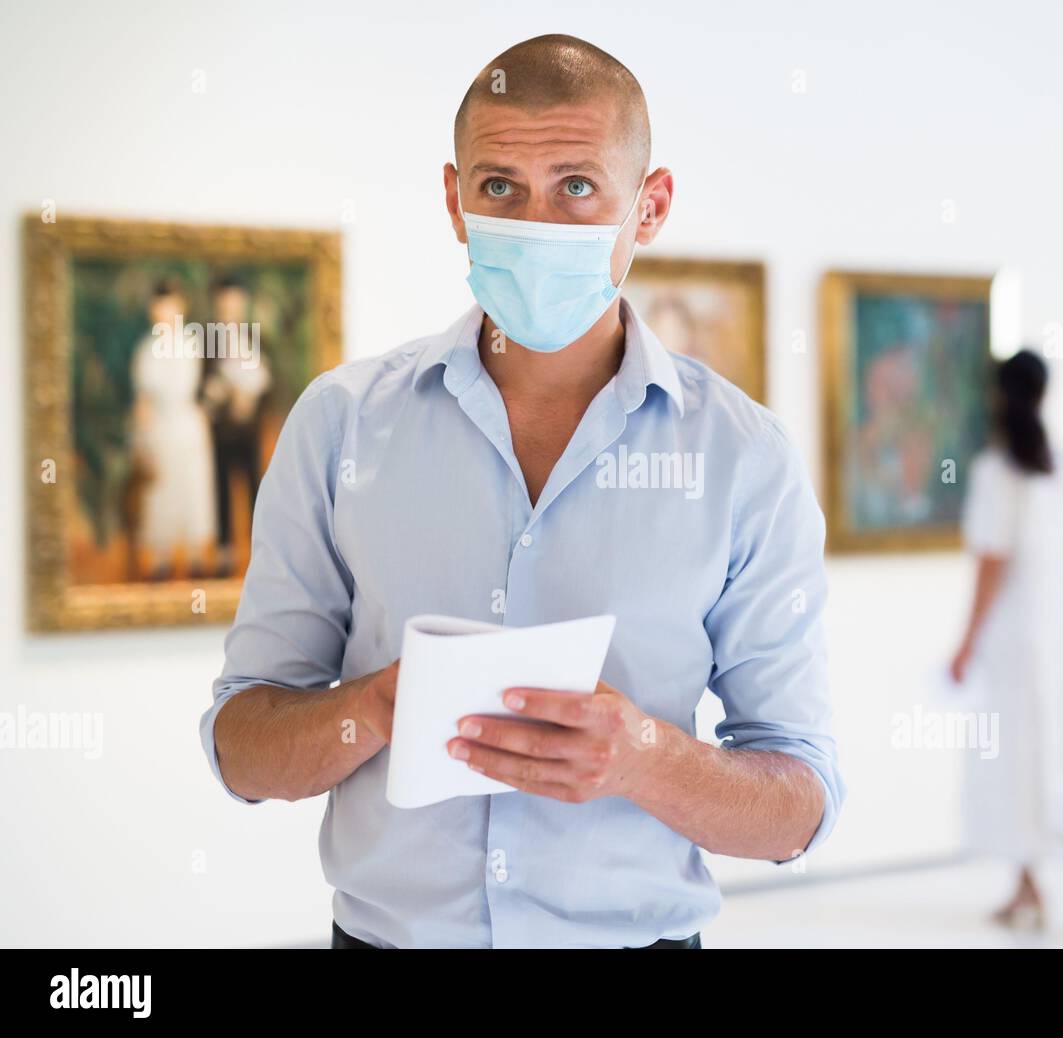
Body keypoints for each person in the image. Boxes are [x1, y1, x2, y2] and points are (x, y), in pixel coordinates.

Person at [199, 35, 844, 949]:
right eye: (500, 186)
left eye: (577, 186)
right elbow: (242, 747)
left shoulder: (746, 460)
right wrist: (376, 708)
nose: (536, 221)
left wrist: (642, 759)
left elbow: (800, 806)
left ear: (649, 206)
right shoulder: (340, 425)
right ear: (456, 202)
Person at [949, 349, 1063, 934]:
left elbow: (990, 566)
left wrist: (965, 643)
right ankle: (1027, 889)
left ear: (1001, 396)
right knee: (1042, 766)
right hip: (1057, 640)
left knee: (1029, 772)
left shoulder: (997, 472)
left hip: (1011, 646)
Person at [130, 281, 217, 579]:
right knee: (162, 490)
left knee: (192, 486)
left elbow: (208, 385)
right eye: (160, 305)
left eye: (171, 304)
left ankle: (195, 556)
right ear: (152, 310)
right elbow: (143, 400)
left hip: (189, 423)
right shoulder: (146, 350)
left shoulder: (194, 343)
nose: (165, 311)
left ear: (181, 306)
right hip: (160, 427)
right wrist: (141, 439)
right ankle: (162, 558)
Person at [201, 276, 272, 577]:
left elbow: (270, 382)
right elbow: (201, 386)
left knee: (256, 485)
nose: (230, 307)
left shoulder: (257, 339)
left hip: (249, 428)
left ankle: (262, 550)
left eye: (235, 301)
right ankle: (225, 551)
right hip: (221, 429)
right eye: (225, 301)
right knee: (221, 487)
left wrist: (252, 400)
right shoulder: (206, 341)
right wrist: (225, 396)